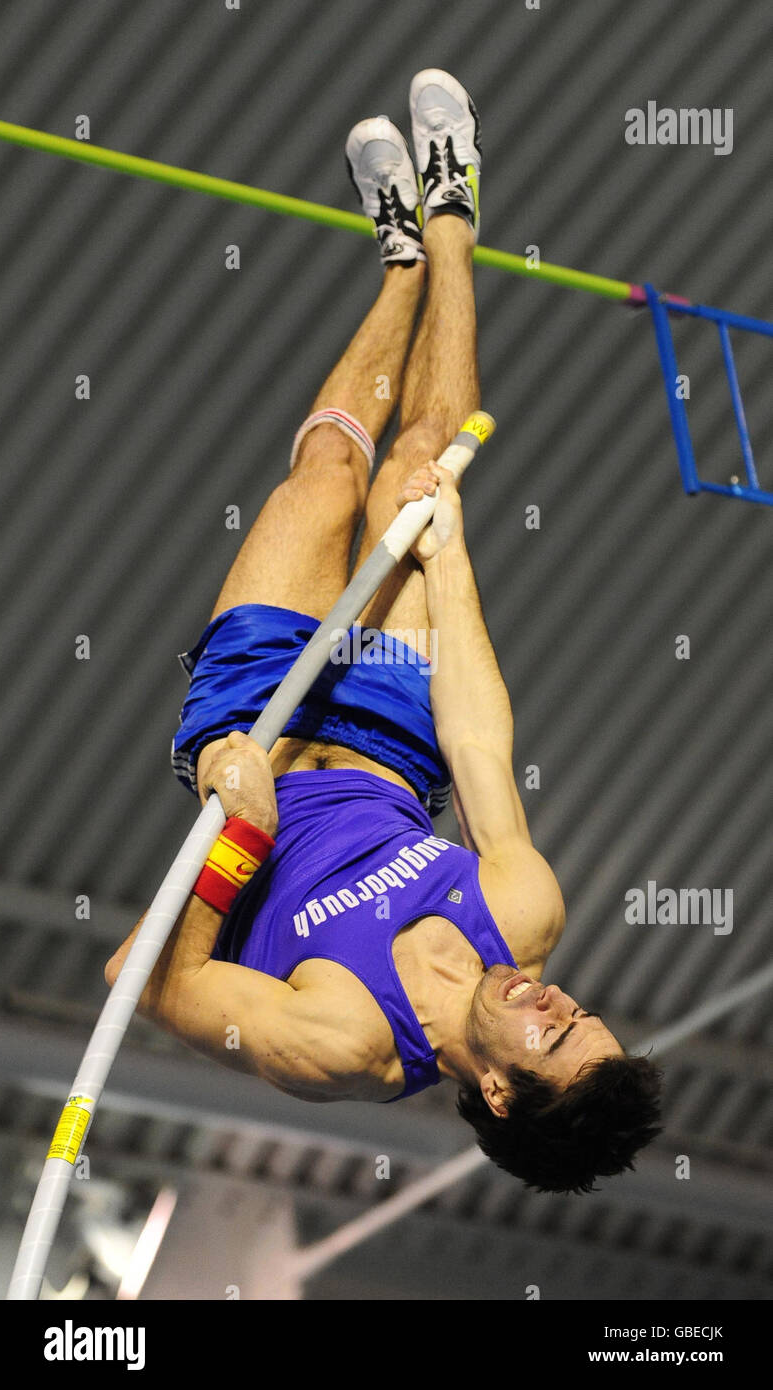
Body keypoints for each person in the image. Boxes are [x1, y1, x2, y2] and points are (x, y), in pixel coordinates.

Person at [106, 70, 661, 1194]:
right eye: (584, 1012)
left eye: (556, 1035)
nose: (558, 1001)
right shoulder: (520, 910)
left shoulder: (343, 1043)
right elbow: (475, 748)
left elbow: (144, 978)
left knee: (322, 477)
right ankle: (445, 227)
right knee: (414, 478)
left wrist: (232, 845)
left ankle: (397, 258)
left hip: (247, 744)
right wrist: (447, 558)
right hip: (389, 737)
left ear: (497, 1092)